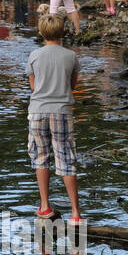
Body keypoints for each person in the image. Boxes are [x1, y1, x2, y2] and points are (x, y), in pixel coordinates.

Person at [26, 13, 83, 223]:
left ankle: (44, 206)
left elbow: (33, 87)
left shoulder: (34, 55)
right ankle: (75, 213)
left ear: (41, 32)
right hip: (62, 111)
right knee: (66, 159)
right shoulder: (71, 57)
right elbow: (73, 85)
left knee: (41, 157)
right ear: (63, 32)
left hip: (38, 111)